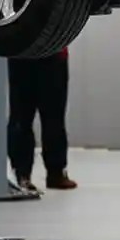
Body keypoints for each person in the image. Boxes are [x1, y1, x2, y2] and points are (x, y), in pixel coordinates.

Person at [7, 47, 77, 192]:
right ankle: (22, 174)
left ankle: (55, 172)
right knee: (22, 117)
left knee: (54, 118)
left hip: (53, 54)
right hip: (23, 53)